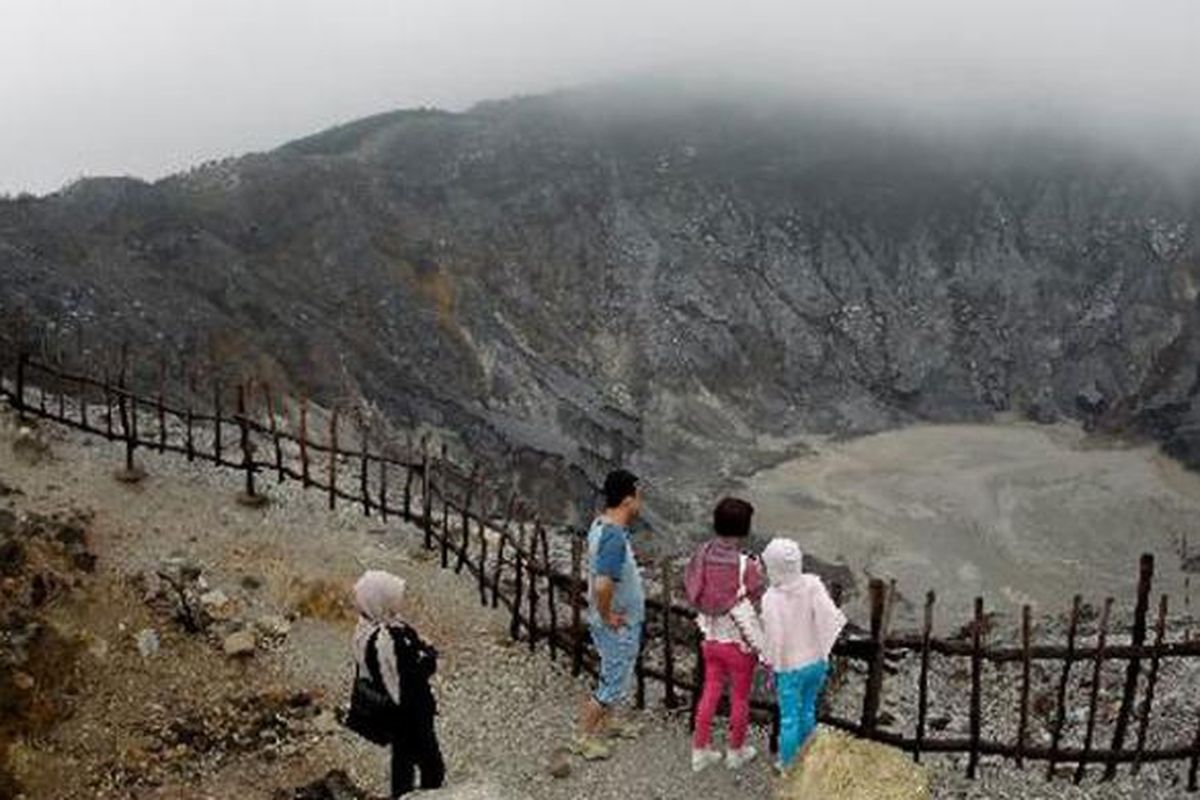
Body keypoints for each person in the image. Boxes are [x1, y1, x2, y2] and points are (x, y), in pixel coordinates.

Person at [685, 497, 768, 772]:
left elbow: (693, 584)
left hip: (710, 638)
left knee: (710, 691)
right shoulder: (745, 564)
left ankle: (700, 750)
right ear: (745, 529)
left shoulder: (704, 553)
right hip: (737, 644)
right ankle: (736, 751)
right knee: (740, 698)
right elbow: (758, 594)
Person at [352, 570, 445, 797]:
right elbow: (410, 676)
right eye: (393, 596)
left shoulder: (366, 627)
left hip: (395, 714)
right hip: (408, 714)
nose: (399, 600)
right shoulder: (387, 638)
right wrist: (429, 659)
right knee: (433, 768)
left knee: (402, 765)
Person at [574, 468, 647, 760]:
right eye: (639, 495)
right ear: (628, 500)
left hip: (616, 619)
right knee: (612, 679)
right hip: (618, 623)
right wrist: (607, 616)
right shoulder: (614, 537)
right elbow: (604, 584)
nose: (641, 502)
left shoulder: (600, 524)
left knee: (618, 672)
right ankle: (584, 738)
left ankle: (610, 722)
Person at [760, 538, 846, 772]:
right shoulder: (812, 584)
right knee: (808, 710)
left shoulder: (771, 599)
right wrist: (824, 649)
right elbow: (830, 617)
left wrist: (771, 664)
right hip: (817, 663)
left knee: (789, 719)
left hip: (790, 669)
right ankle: (808, 759)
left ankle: (788, 766)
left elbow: (774, 637)